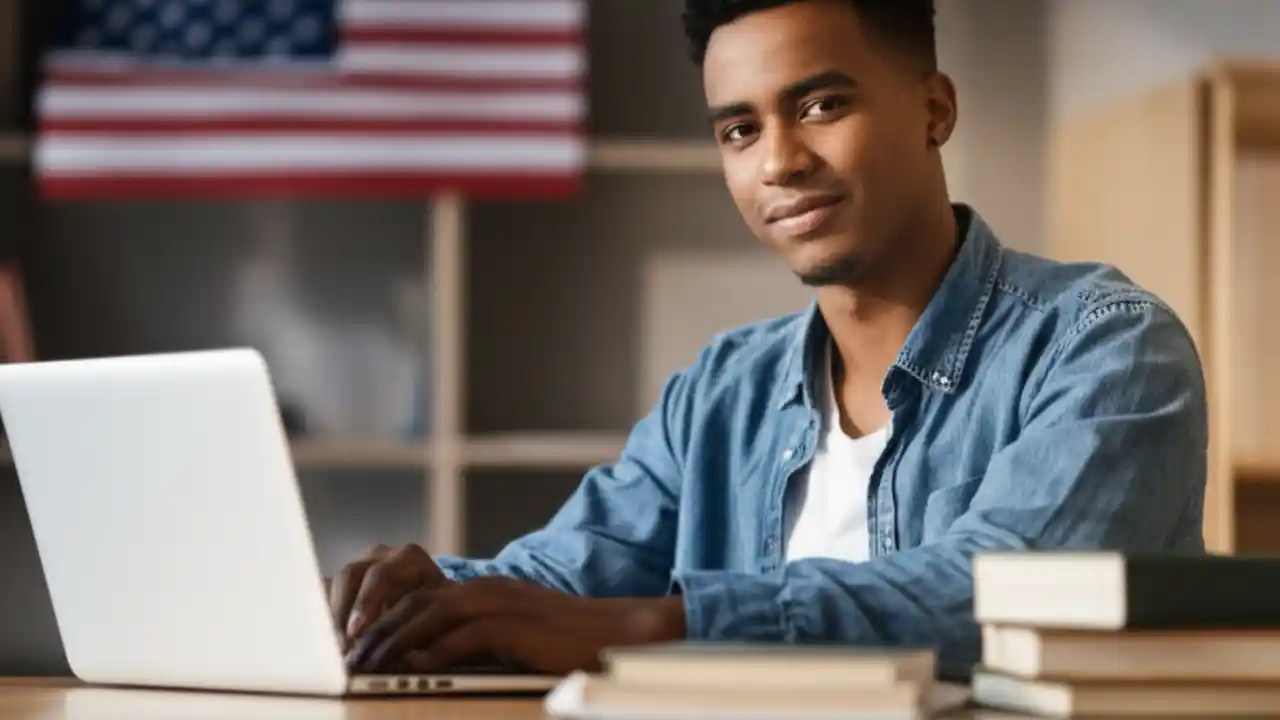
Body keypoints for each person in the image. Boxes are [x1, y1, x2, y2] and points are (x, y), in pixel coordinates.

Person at [331, 0, 1206, 679]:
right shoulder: (722, 389)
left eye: (821, 104)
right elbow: (564, 581)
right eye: (739, 129)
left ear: (934, 109)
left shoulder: (1106, 345)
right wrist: (421, 596)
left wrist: (664, 624)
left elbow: (1007, 594)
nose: (778, 161)